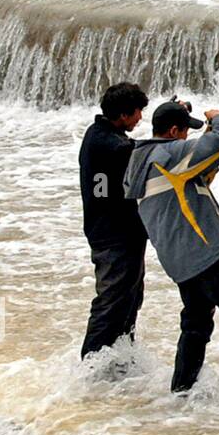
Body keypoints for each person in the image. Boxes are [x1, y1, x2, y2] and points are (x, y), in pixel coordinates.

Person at [123, 99, 219, 399]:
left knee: (196, 326)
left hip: (180, 263)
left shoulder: (139, 163)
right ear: (174, 131)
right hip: (208, 254)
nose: (187, 139)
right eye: (184, 133)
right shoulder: (169, 155)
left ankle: (183, 391)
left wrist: (203, 145)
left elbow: (199, 175)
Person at [79, 82, 150, 363]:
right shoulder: (109, 144)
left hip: (121, 232)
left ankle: (120, 361)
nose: (140, 118)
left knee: (129, 300)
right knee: (110, 303)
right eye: (137, 113)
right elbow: (141, 153)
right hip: (112, 236)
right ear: (122, 114)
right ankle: (91, 368)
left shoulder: (100, 132)